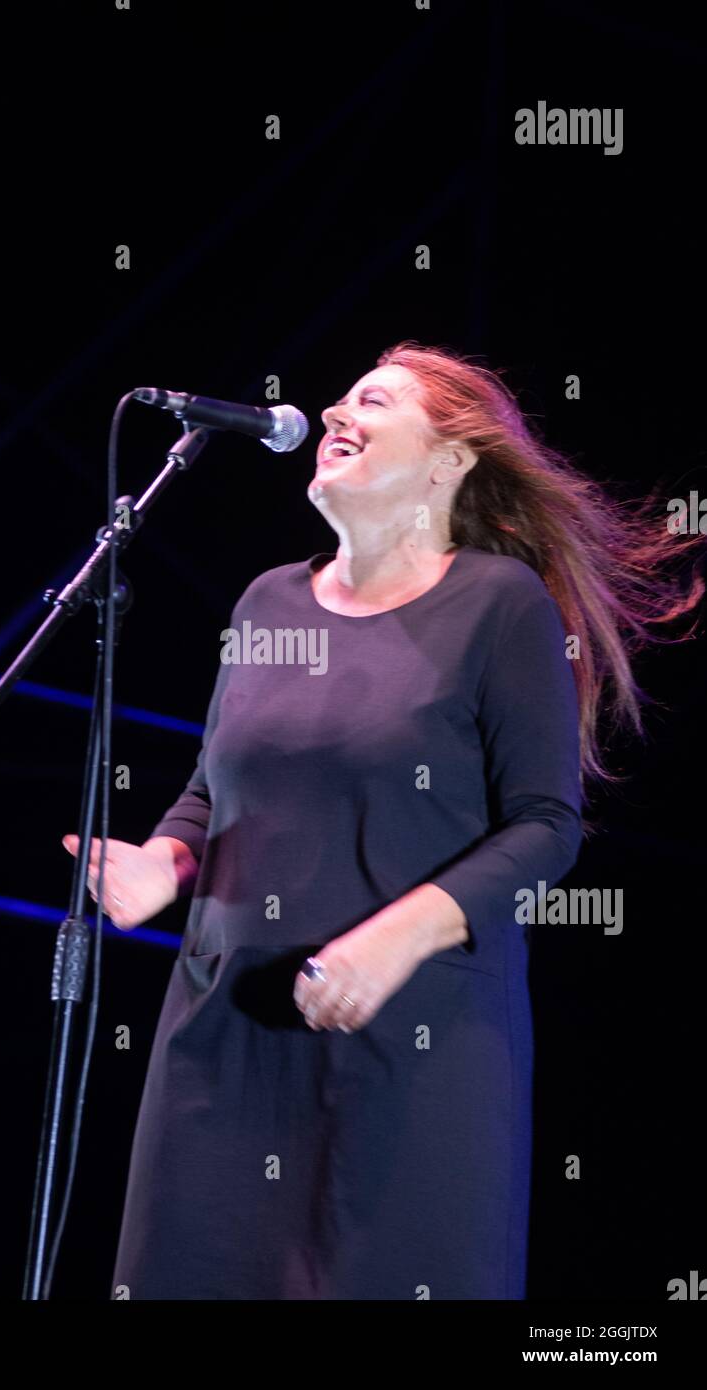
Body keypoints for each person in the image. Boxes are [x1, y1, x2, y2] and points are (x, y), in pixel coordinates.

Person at [64, 341, 703, 1300]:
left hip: (410, 1047)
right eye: (338, 399)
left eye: (373, 399)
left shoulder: (498, 605)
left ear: (449, 462)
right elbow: (214, 787)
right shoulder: (268, 599)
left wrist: (391, 943)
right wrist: (165, 860)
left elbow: (544, 827)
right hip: (222, 1040)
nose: (332, 414)